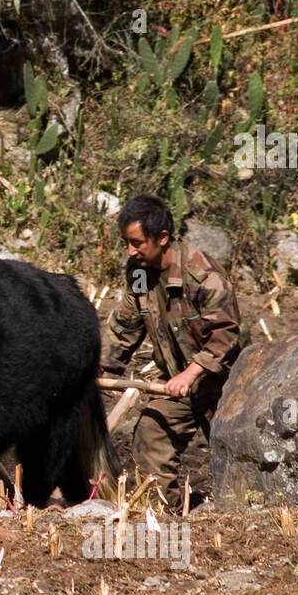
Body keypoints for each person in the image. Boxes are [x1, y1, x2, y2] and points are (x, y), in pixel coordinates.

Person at [102, 195, 248, 509]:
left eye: (137, 243)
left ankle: (241, 519)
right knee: (152, 430)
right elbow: (126, 327)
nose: (130, 251)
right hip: (180, 388)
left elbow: (226, 334)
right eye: (126, 243)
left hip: (227, 387)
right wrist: (97, 368)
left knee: (237, 460)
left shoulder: (203, 275)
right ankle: (159, 515)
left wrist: (190, 372)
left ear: (163, 238)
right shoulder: (139, 273)